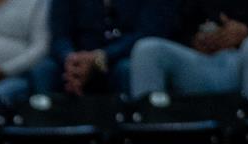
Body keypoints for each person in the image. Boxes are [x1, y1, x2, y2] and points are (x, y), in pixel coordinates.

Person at [128, 0, 248, 97]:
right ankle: (149, 142)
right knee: (147, 49)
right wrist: (195, 40)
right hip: (203, 62)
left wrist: (247, 31)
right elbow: (173, 27)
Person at [43, 0, 178, 94]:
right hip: (79, 57)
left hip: (124, 55)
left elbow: (149, 32)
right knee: (45, 69)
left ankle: (133, 131)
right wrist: (71, 60)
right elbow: (59, 35)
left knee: (127, 69)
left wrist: (101, 57)